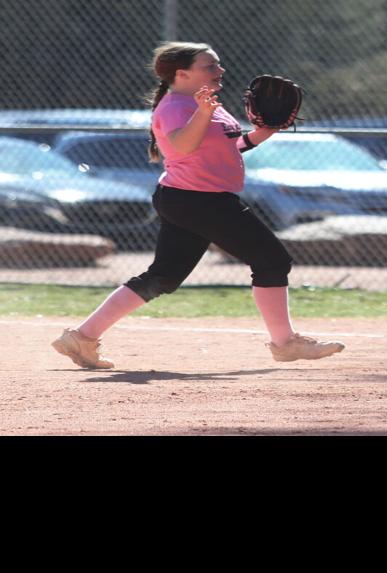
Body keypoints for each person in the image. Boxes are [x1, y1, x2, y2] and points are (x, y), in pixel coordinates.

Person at [50, 42, 342, 371]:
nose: (220, 71)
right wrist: (202, 112)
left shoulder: (205, 104)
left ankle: (83, 337)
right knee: (271, 260)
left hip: (190, 198)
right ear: (182, 74)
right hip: (200, 199)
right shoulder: (177, 106)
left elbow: (227, 147)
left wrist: (262, 133)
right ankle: (285, 342)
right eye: (210, 66)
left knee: (163, 277)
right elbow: (181, 147)